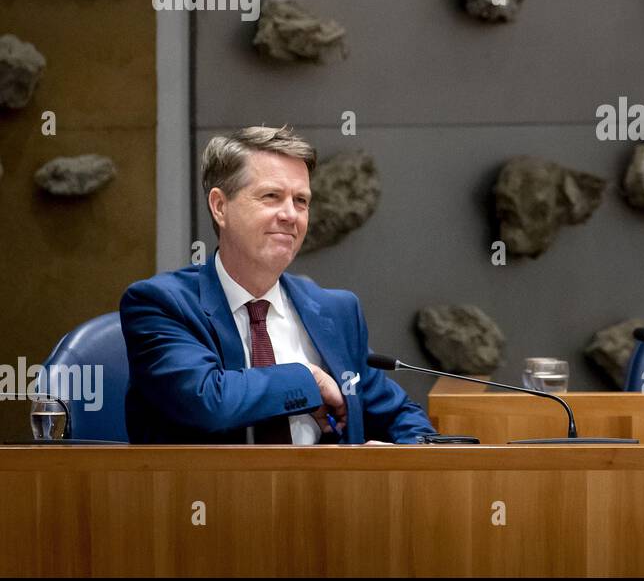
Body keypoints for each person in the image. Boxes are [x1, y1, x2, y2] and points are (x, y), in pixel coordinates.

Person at [120, 125, 436, 444]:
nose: (290, 215)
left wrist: (405, 457)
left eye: (301, 201)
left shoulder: (336, 311)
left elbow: (399, 414)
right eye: (271, 196)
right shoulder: (161, 304)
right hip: (209, 493)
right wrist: (307, 379)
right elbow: (209, 402)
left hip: (329, 491)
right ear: (220, 206)